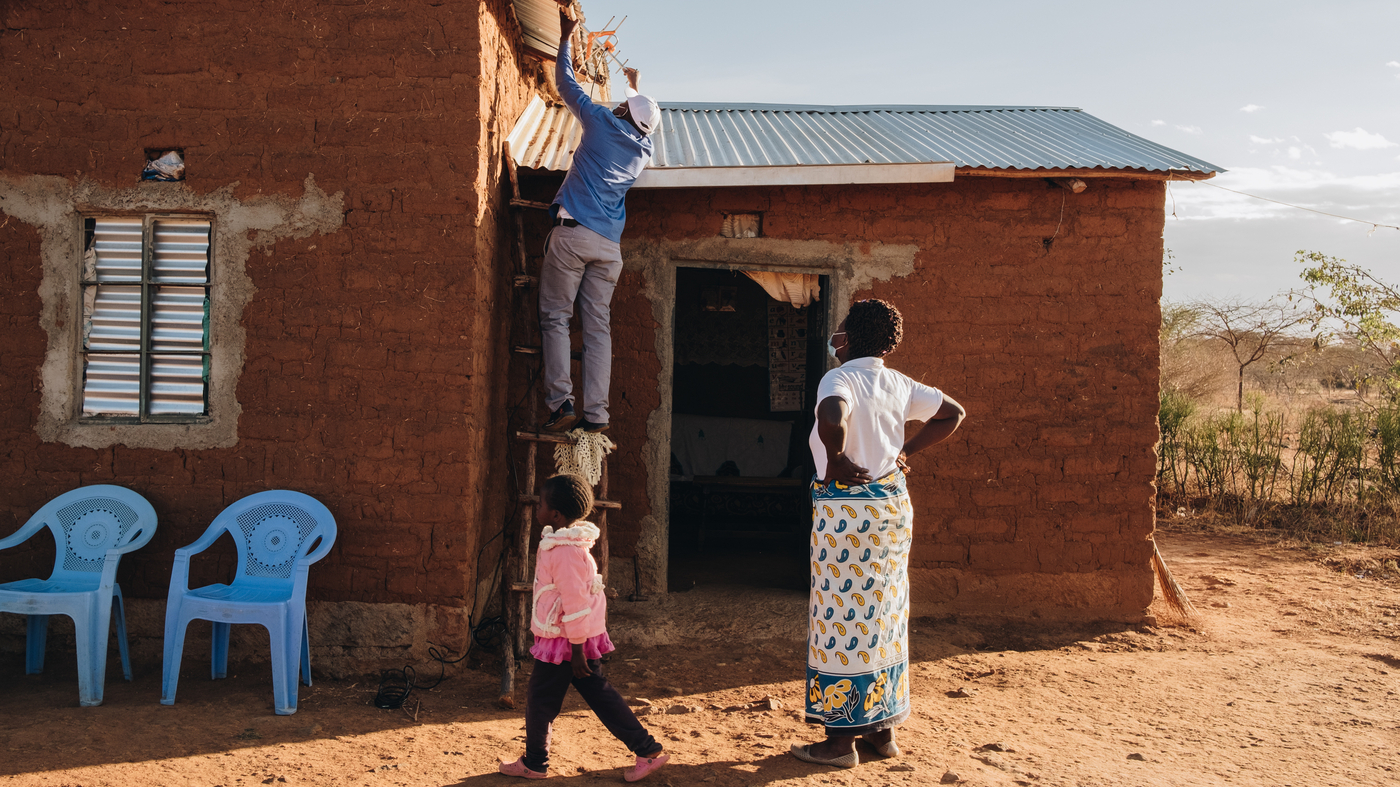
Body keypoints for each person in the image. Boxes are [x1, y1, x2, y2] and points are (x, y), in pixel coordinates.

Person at [790, 299, 966, 769]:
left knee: (840, 618)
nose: (836, 334)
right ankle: (881, 734)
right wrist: (907, 447)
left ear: (852, 338)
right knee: (883, 613)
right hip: (891, 508)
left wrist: (838, 458)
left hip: (847, 512)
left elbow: (832, 416)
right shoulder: (900, 383)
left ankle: (838, 742)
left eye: (842, 327)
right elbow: (953, 414)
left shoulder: (840, 378)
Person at [499, 473, 669, 782]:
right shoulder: (561, 544)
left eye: (541, 503)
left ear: (555, 514)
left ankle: (535, 762)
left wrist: (577, 650)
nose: (537, 508)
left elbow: (575, 603)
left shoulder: (565, 552)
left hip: (567, 642)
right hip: (570, 639)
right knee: (597, 695)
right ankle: (646, 748)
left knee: (540, 698)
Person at [540, 2, 660, 434]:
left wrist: (567, 34)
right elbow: (641, 118)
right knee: (598, 331)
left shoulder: (601, 122)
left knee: (556, 317)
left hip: (573, 238)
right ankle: (597, 414)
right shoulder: (643, 151)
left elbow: (565, 82)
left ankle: (560, 404)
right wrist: (637, 88)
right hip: (608, 249)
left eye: (624, 106)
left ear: (623, 114)